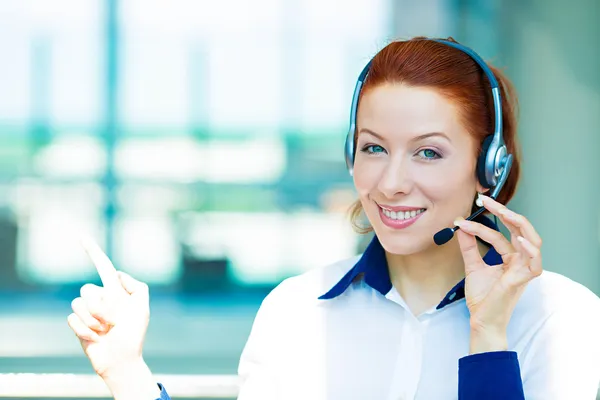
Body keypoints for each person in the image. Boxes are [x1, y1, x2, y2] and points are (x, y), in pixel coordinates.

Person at [67, 37, 600, 400]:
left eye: (428, 153)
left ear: (490, 166)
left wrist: (488, 337)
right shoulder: (295, 311)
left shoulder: (561, 319)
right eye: (373, 148)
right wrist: (127, 372)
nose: (390, 182)